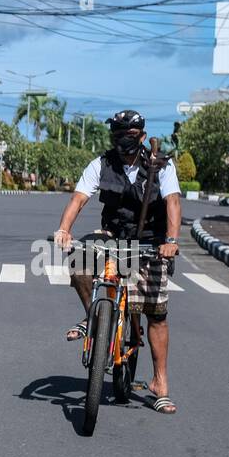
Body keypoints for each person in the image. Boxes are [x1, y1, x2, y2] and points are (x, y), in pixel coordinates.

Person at [54, 109, 181, 414]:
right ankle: (94, 317)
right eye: (118, 135)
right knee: (80, 263)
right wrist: (64, 230)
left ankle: (159, 383)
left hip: (152, 240)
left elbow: (173, 203)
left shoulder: (160, 164)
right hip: (112, 234)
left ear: (141, 136)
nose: (124, 141)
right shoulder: (101, 163)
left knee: (156, 313)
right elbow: (79, 199)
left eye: (131, 135)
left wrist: (171, 241)